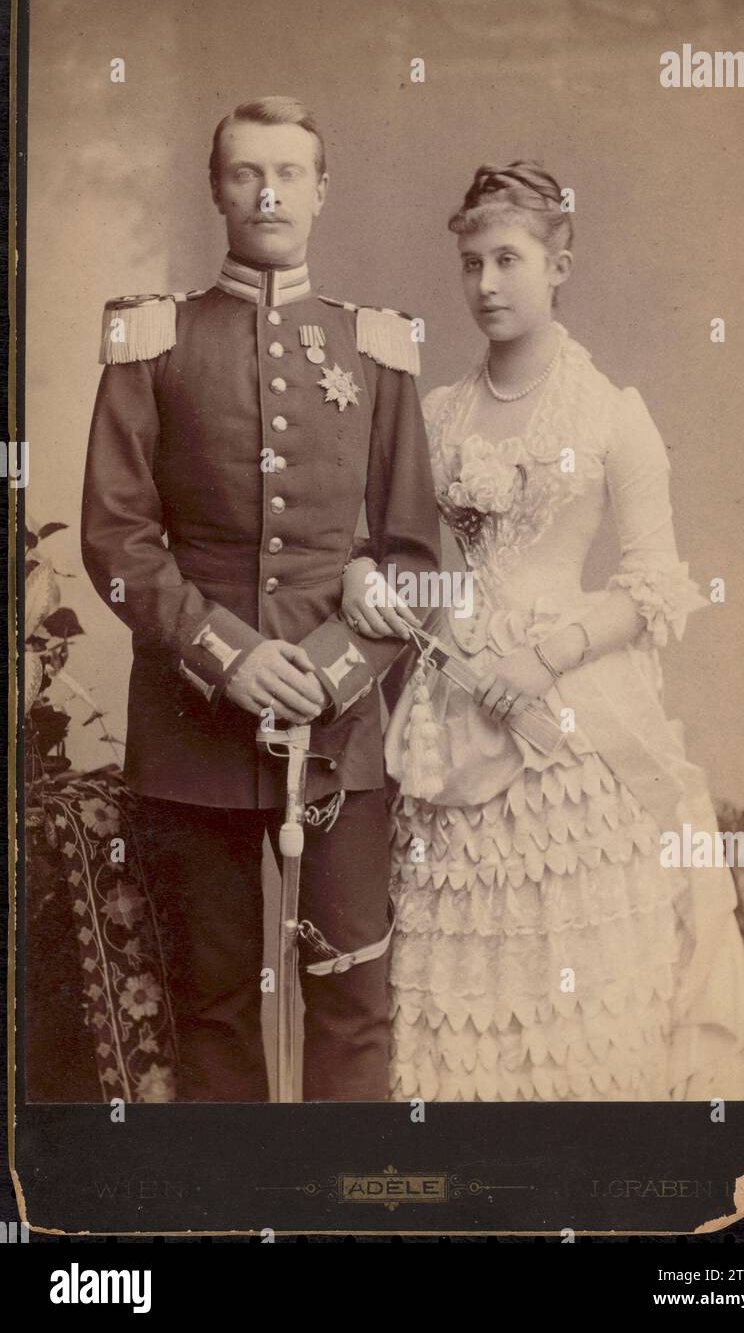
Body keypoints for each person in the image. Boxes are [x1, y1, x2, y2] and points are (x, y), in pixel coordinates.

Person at [341, 161, 744, 1103]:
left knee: (580, 954)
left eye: (508, 260)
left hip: (570, 712)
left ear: (560, 264)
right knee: (452, 952)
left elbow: (653, 585)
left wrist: (545, 653)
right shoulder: (436, 416)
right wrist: (363, 575)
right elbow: (389, 546)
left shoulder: (611, 413)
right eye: (471, 263)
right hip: (455, 704)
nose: (485, 285)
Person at [81, 96, 441, 1102]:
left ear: (323, 192)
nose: (268, 192)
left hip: (341, 747)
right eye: (246, 173)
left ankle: (349, 1215)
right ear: (216, 190)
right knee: (215, 1010)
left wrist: (326, 675)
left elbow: (416, 561)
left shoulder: (377, 349)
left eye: (289, 173)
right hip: (195, 736)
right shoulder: (151, 340)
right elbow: (115, 538)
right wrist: (227, 654)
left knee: (355, 1007)